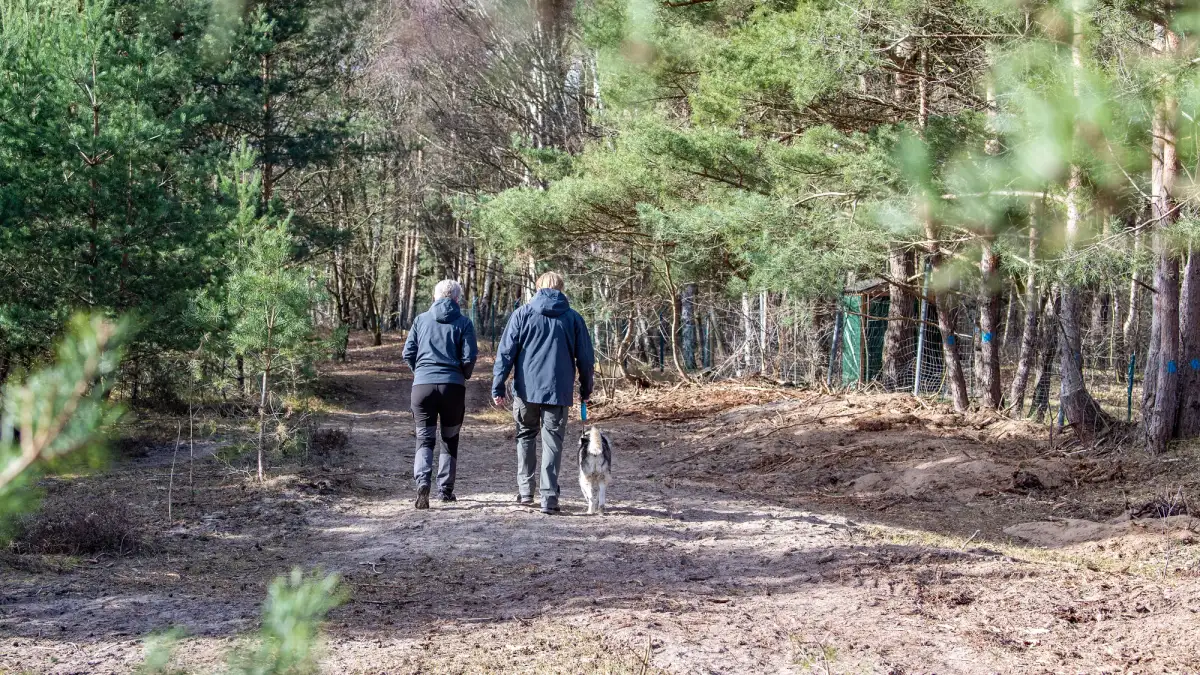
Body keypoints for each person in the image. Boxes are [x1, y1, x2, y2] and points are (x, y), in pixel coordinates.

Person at [492, 271, 595, 514]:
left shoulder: (522, 314)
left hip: (526, 390)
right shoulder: (572, 318)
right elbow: (586, 359)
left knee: (525, 436)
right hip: (558, 391)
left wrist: (498, 385)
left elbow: (505, 353)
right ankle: (549, 497)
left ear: (538, 288)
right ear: (561, 288)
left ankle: (526, 491)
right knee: (552, 442)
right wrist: (586, 388)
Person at [403, 279, 478, 509]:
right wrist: (462, 375)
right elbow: (469, 357)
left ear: (434, 297)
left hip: (422, 388)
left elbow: (408, 353)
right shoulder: (464, 323)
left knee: (424, 438)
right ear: (457, 299)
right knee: (449, 438)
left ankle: (422, 482)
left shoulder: (420, 320)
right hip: (452, 388)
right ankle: (445, 490)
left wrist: (421, 373)